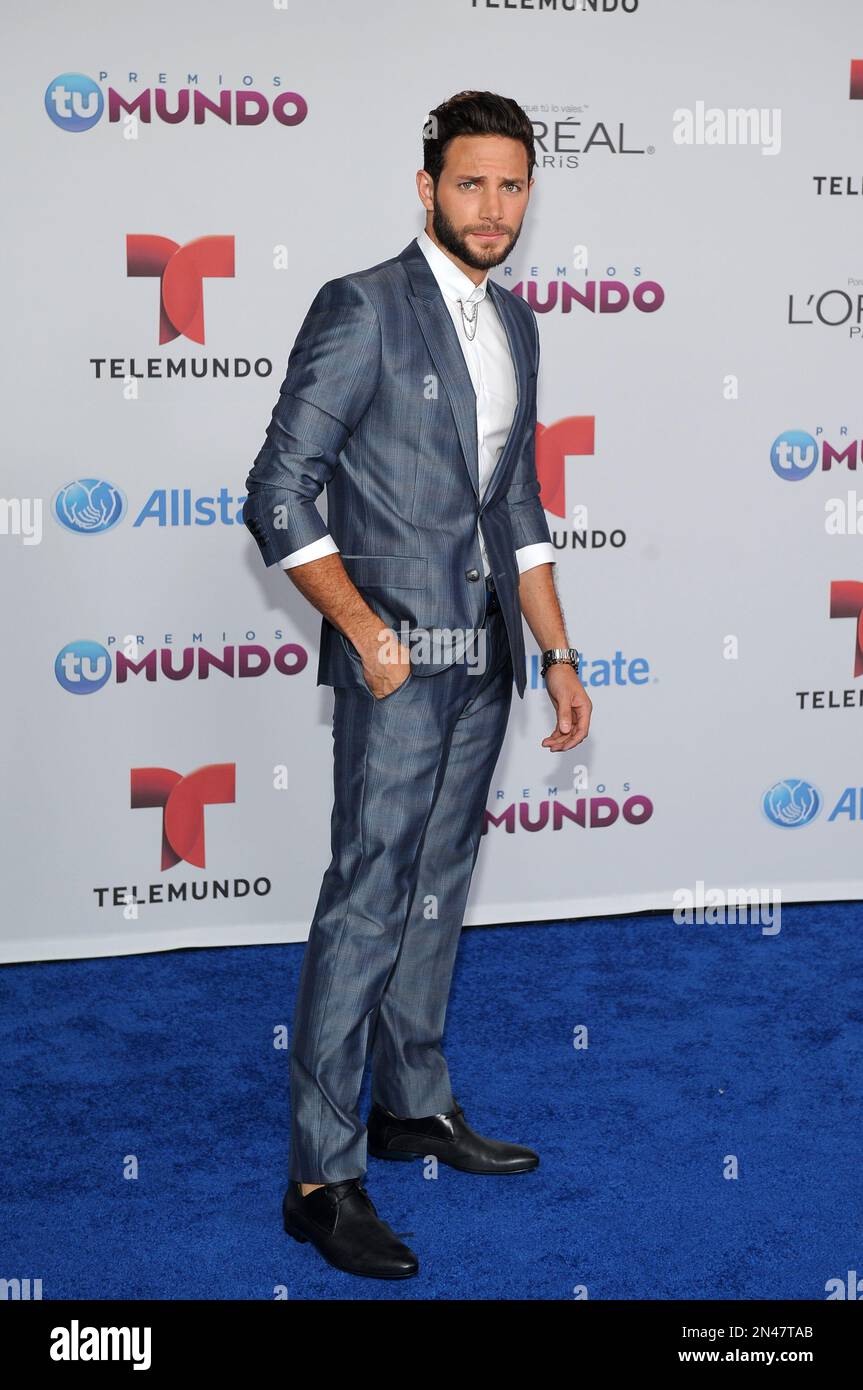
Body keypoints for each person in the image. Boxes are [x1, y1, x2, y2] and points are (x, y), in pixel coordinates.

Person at [243, 90, 592, 1280]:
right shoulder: (362, 307)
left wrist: (556, 653)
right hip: (395, 666)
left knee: (439, 887)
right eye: (469, 183)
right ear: (426, 186)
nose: (491, 207)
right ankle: (317, 1176)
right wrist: (363, 629)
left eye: (510, 185)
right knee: (367, 897)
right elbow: (277, 488)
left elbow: (515, 503)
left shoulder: (516, 322)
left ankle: (411, 1104)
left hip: (486, 655)